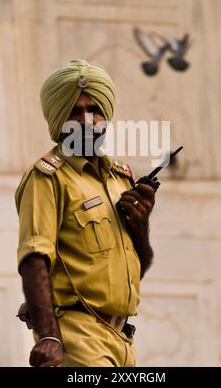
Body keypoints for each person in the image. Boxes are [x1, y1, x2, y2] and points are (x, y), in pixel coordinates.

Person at [15, 59, 156, 367]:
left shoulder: (121, 178)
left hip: (122, 340)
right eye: (75, 112)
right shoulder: (48, 178)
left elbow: (135, 268)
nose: (87, 120)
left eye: (94, 110)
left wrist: (140, 225)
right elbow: (34, 259)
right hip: (77, 337)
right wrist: (49, 336)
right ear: (59, 119)